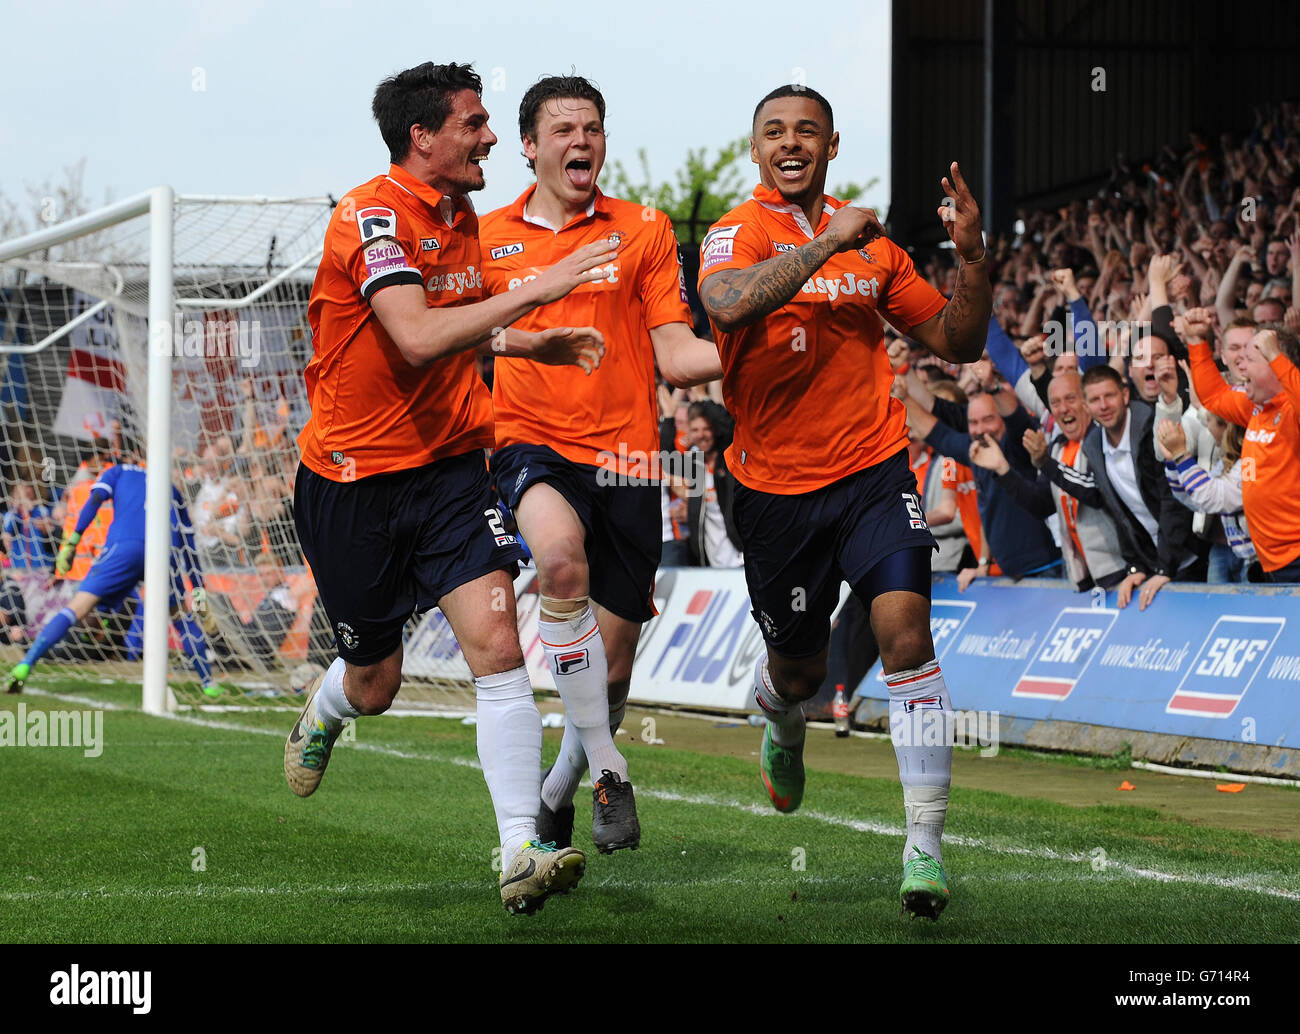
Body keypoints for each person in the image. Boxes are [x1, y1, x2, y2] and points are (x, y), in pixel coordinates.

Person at [284, 62, 616, 916]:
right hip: (352, 484)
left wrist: (527, 347)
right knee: (376, 684)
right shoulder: (370, 215)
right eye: (474, 124)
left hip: (450, 474)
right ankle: (325, 707)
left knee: (501, 652)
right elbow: (417, 335)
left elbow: (453, 337)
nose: (492, 138)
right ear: (422, 136)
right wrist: (538, 292)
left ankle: (519, 850)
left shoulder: (460, 213)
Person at [697, 83, 991, 920]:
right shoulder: (735, 232)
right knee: (801, 667)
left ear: (832, 148)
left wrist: (972, 256)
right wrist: (826, 242)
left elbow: (958, 342)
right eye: (775, 132)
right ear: (755, 150)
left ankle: (925, 847)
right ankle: (783, 718)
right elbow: (727, 303)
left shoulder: (878, 251)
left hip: (871, 474)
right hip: (774, 491)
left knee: (906, 632)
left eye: (809, 133)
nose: (792, 143)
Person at [477, 74, 723, 854]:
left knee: (612, 671)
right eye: (563, 130)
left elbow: (675, 350)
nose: (581, 141)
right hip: (528, 443)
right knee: (558, 565)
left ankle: (560, 788)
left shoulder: (645, 231)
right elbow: (454, 333)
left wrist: (743, 362)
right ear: (529, 146)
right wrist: (522, 342)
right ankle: (613, 771)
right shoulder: (484, 238)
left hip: (625, 461)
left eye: (592, 128)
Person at [5, 454, 218, 696]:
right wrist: (199, 593)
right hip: (164, 552)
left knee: (76, 608)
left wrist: (72, 542)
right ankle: (209, 684)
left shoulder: (116, 472)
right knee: (182, 619)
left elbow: (95, 498)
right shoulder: (170, 488)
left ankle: (25, 665)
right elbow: (189, 545)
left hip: (124, 548)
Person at [1042, 365, 1200, 608]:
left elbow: (1172, 501)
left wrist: (1164, 567)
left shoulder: (1150, 430)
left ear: (1125, 395)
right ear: (1086, 405)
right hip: (1156, 565)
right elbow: (1118, 513)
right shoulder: (1093, 445)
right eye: (1095, 399)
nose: (1103, 406)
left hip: (1192, 557)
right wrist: (1135, 566)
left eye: (1110, 396)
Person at [983, 368, 1128, 591]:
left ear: (1086, 402)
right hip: (1083, 573)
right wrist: (1003, 470)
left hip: (1121, 568)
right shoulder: (1056, 448)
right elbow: (1042, 504)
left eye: (1070, 398)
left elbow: (1096, 493)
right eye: (1056, 403)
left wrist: (1045, 463)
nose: (1063, 408)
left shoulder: (1103, 439)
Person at [1184, 311, 1300, 581]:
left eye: (1250, 359)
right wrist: (1196, 342)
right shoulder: (1256, 408)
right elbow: (1213, 396)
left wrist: (1276, 355)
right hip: (1271, 560)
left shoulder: (1291, 411)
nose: (1241, 365)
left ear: (1275, 364)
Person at [685, 400, 743, 568]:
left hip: (740, 558)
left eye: (706, 429)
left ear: (715, 431)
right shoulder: (693, 466)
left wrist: (703, 401)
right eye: (695, 430)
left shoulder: (729, 461)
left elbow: (728, 423)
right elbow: (665, 453)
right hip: (711, 564)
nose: (701, 435)